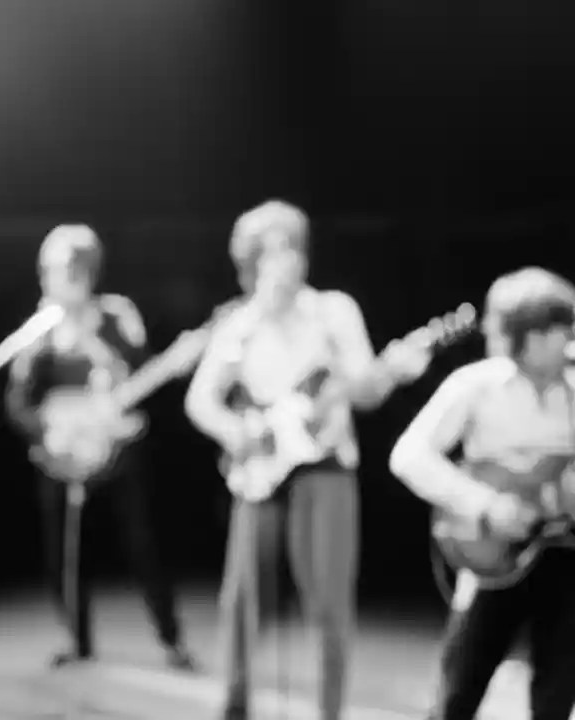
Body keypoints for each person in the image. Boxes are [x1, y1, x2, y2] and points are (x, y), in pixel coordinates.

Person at [184, 199, 429, 720]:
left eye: (293, 247)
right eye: (271, 251)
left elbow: (364, 391)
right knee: (242, 599)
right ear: (249, 263)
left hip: (326, 468)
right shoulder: (239, 324)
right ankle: (234, 704)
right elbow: (200, 400)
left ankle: (329, 712)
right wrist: (235, 430)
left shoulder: (333, 310)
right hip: (260, 473)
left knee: (329, 603)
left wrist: (391, 372)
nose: (286, 259)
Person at [5, 223, 197, 671]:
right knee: (63, 548)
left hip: (117, 446)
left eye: (67, 271)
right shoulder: (40, 327)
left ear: (88, 273)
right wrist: (45, 431)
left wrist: (92, 335)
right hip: (60, 452)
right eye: (50, 271)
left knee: (143, 541)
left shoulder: (116, 314)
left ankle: (171, 637)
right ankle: (77, 638)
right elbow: (17, 401)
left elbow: (143, 370)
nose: (57, 280)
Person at [389, 267, 575, 720]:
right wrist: (487, 507)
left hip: (565, 554)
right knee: (460, 689)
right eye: (557, 329)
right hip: (492, 559)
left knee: (557, 693)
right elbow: (409, 455)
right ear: (526, 337)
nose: (568, 338)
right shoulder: (476, 385)